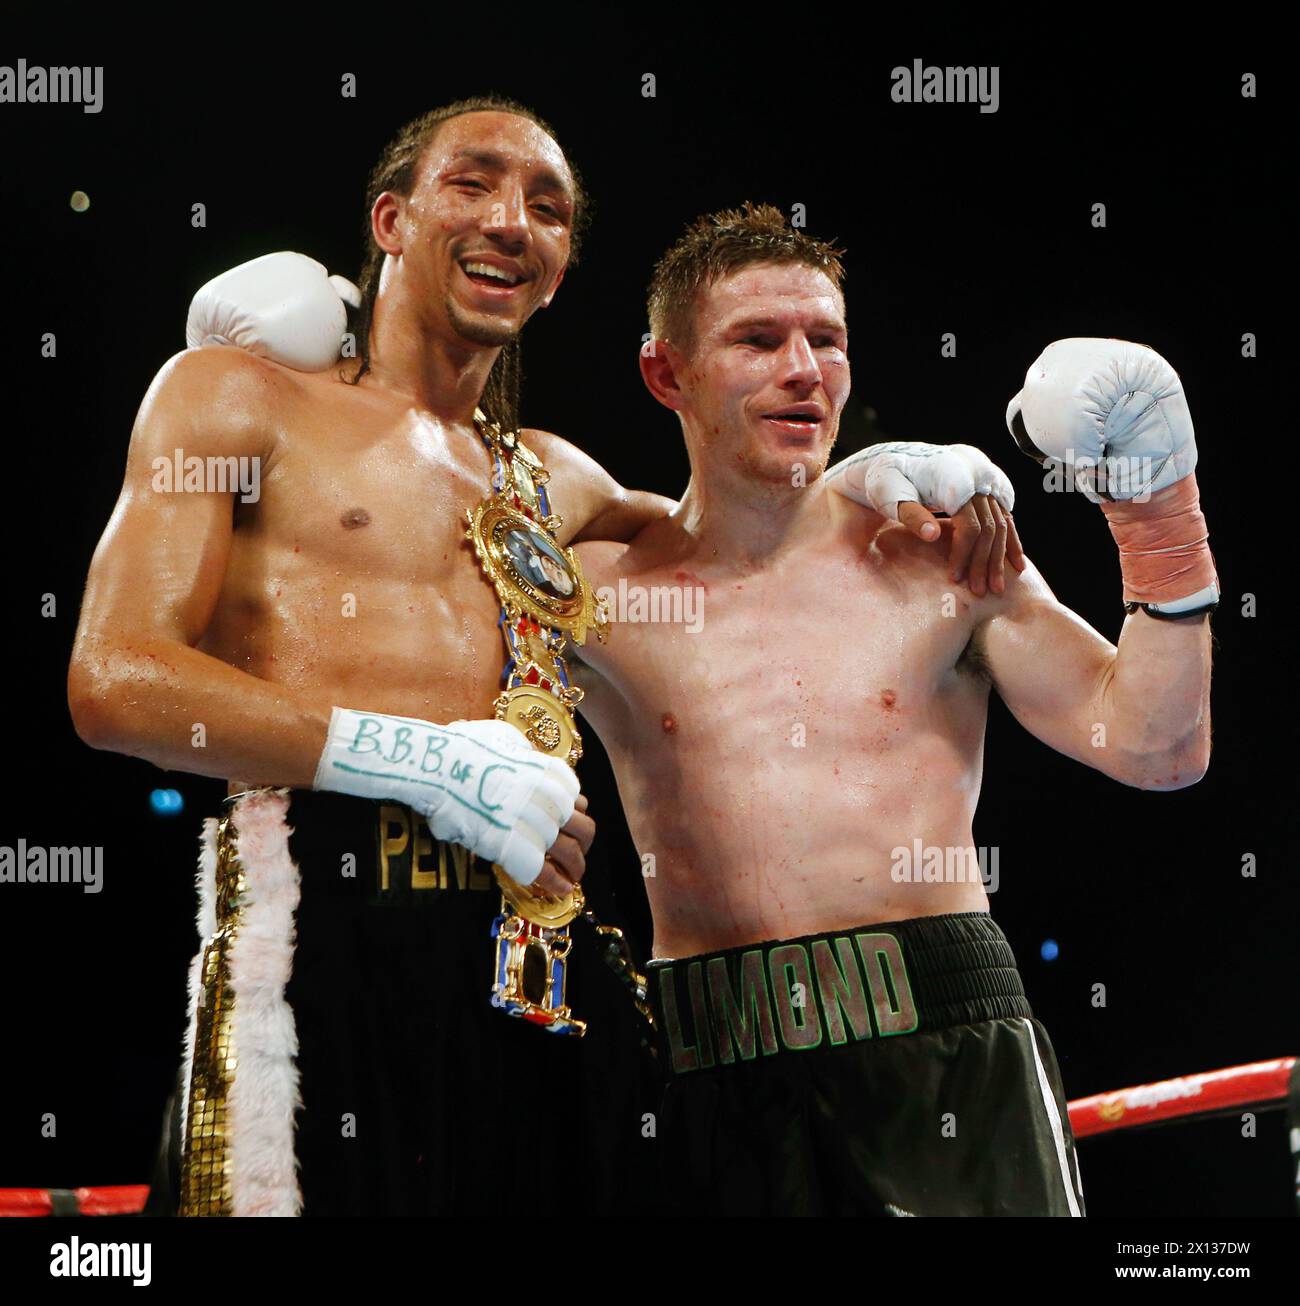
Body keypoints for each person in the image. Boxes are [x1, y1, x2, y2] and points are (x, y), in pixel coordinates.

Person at [67, 99, 1011, 1217]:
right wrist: (429, 764)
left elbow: (740, 533)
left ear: (559, 270)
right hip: (320, 923)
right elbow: (115, 679)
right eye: (470, 184)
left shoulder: (556, 481)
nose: (511, 221)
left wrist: (882, 472)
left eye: (547, 207)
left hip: (527, 960)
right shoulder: (235, 395)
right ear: (390, 218)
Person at [562, 203, 1216, 1215]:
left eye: (825, 340)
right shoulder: (598, 588)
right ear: (666, 374)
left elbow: (1156, 746)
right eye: (757, 340)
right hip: (708, 1065)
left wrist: (1158, 513)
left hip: (944, 1042)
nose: (802, 368)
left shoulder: (936, 548)